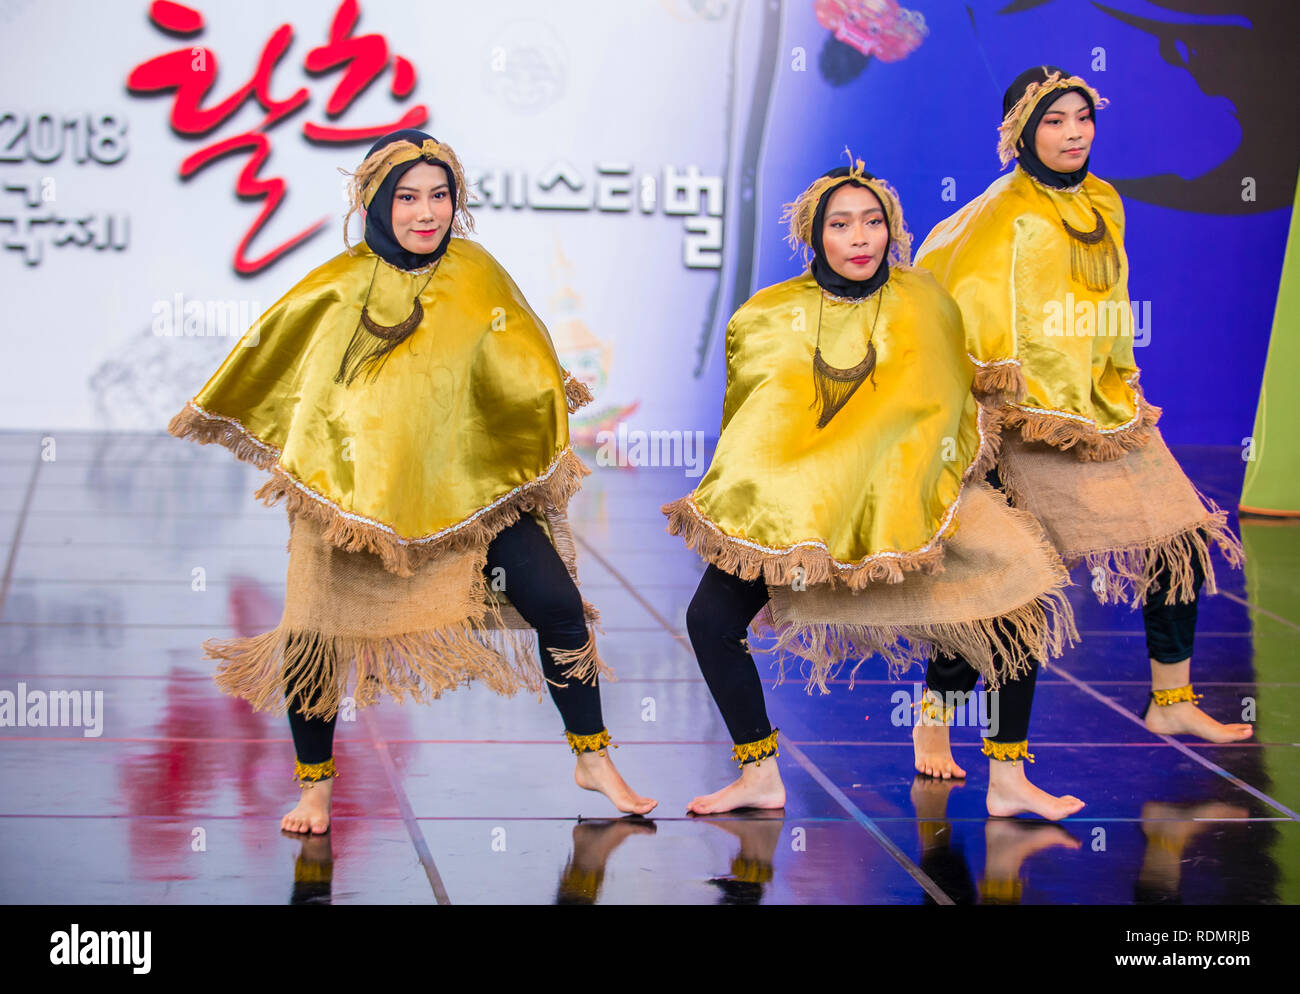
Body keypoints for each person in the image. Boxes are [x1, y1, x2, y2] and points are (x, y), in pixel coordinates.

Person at [169, 129, 656, 833]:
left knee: (558, 604)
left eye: (439, 196)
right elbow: (279, 367)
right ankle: (315, 789)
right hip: (349, 500)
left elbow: (522, 361)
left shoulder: (478, 273)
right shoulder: (336, 288)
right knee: (315, 636)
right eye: (407, 197)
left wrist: (539, 411)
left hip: (468, 497)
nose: (426, 213)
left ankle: (592, 754)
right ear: (375, 202)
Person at [664, 157, 1084, 821]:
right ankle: (758, 773)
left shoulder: (926, 303)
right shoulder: (769, 317)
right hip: (803, 514)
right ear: (814, 235)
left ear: (890, 230)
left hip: (920, 500)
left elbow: (955, 402)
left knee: (1017, 599)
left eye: (873, 221)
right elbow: (752, 435)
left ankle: (1008, 779)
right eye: (841, 224)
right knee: (709, 620)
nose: (861, 236)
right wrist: (772, 559)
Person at [916, 67, 1250, 767]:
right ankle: (934, 720)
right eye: (1054, 121)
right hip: (1027, 423)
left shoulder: (1104, 199)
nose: (1074, 134)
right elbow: (949, 293)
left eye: (1082, 118)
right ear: (1020, 133)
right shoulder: (1001, 211)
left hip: (1104, 411)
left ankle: (1172, 701)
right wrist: (988, 407)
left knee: (1179, 539)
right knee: (1006, 583)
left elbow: (1111, 299)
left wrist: (1121, 375)